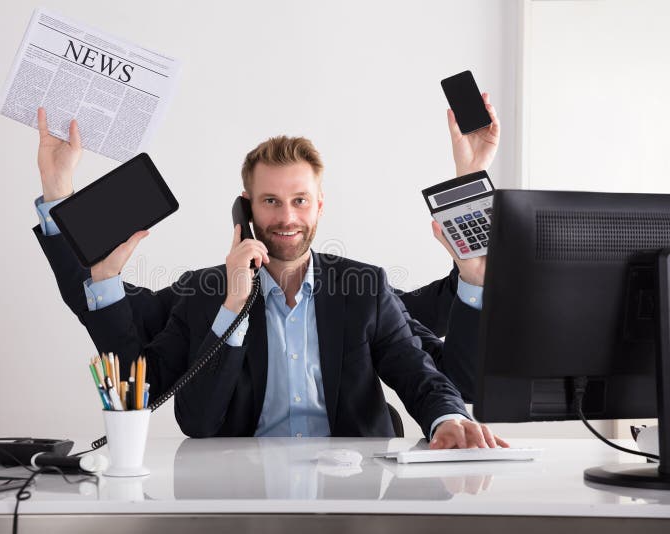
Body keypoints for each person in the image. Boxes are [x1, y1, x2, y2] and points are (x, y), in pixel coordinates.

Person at [32, 110, 505, 448]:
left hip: (353, 494)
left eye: (300, 200)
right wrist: (59, 194)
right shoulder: (203, 294)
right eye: (271, 201)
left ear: (320, 205)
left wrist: (445, 418)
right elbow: (106, 310)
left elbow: (424, 369)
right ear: (246, 208)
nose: (287, 217)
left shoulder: (364, 289)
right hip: (242, 495)